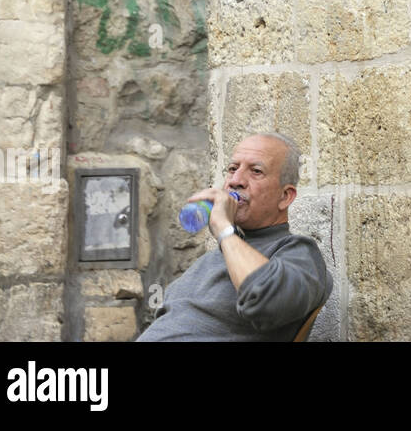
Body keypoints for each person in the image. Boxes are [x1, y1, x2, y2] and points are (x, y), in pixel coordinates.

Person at [138, 132, 332, 341]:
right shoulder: (212, 258)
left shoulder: (297, 253)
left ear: (285, 197)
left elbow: (266, 302)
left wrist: (223, 229)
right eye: (232, 169)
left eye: (256, 171)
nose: (236, 180)